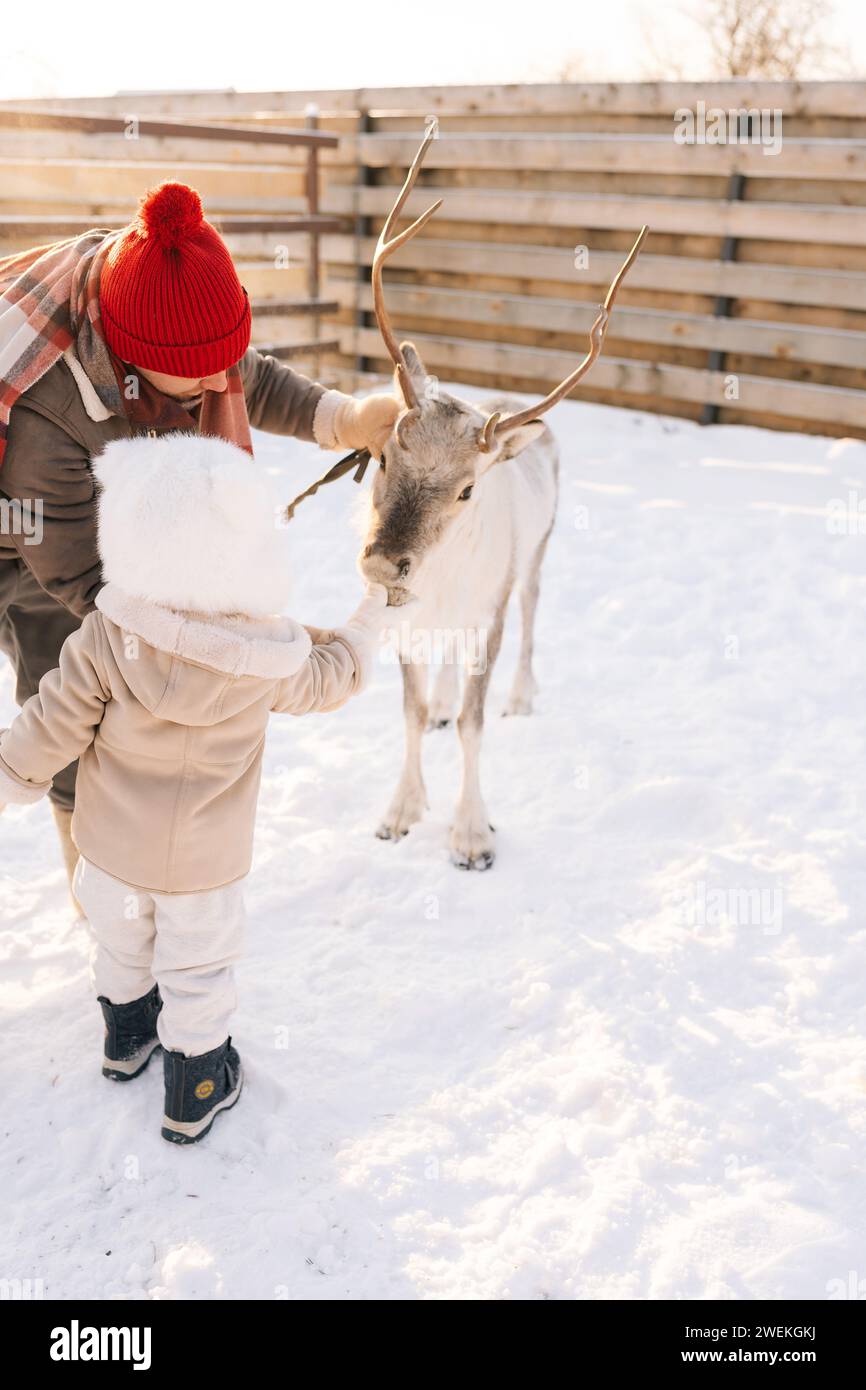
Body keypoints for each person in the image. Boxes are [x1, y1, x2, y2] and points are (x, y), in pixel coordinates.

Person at [0, 180, 399, 899]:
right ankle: (90, 872)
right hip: (22, 535)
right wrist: (208, 639)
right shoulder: (46, 409)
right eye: (198, 375)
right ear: (128, 355)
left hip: (106, 492)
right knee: (68, 668)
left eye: (227, 360)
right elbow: (77, 575)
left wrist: (345, 419)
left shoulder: (173, 326)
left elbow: (244, 376)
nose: (222, 381)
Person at [0, 429, 387, 1144]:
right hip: (205, 870)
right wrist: (371, 618)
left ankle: (125, 1040)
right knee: (199, 971)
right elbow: (334, 676)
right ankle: (198, 1082)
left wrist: (10, 775)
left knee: (119, 948)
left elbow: (48, 725)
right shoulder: (265, 657)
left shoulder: (106, 638)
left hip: (109, 854)